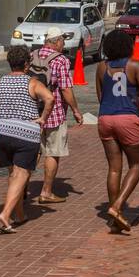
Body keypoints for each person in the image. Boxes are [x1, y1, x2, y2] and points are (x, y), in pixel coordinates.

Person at [0, 44, 55, 232]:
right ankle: (6, 213)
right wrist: (42, 118)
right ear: (26, 64)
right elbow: (49, 98)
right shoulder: (32, 82)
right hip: (25, 133)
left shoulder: (0, 82)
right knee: (23, 174)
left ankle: (19, 215)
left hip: (2, 132)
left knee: (13, 174)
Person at [95, 28, 139, 233]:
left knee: (114, 168)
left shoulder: (102, 67)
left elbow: (101, 97)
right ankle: (117, 206)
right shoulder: (136, 65)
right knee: (136, 164)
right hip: (128, 117)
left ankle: (114, 217)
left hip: (105, 118)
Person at [35, 30, 84, 203]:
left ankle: (22, 186)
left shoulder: (32, 55)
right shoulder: (60, 60)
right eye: (62, 40)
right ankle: (46, 192)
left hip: (33, 112)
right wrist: (76, 110)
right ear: (55, 42)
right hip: (54, 114)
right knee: (52, 152)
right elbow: (65, 89)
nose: (63, 44)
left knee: (34, 151)